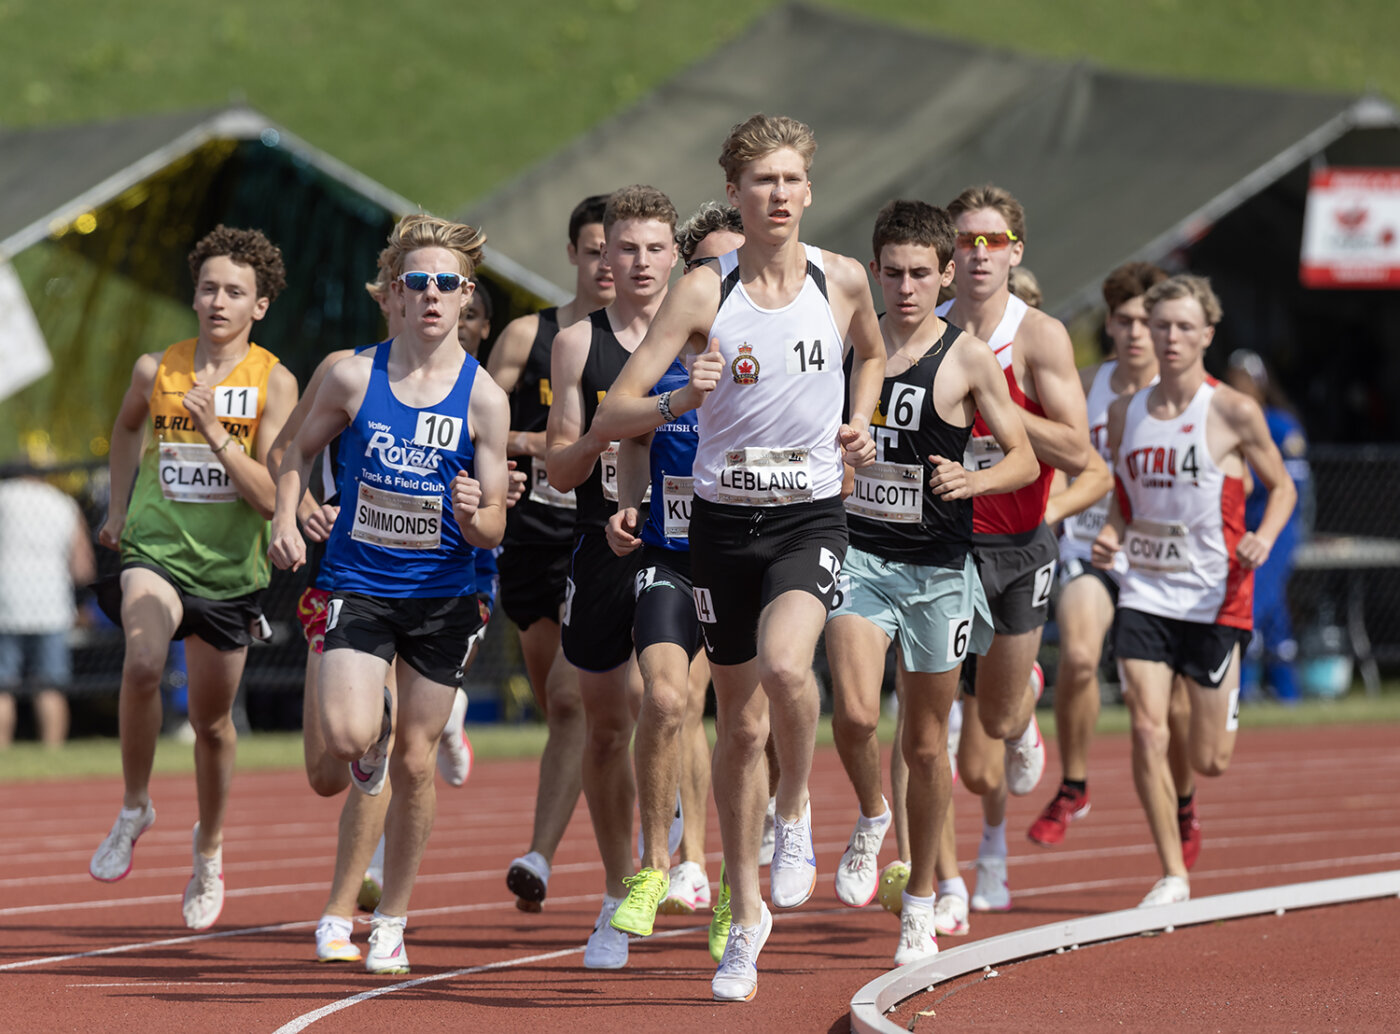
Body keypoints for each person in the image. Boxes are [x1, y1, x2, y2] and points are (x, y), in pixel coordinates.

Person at [592, 114, 886, 1002]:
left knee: (794, 670)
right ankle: (746, 917)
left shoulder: (841, 280)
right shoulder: (700, 292)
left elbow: (869, 354)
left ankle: (794, 810)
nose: (780, 195)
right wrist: (683, 394)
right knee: (740, 723)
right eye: (763, 181)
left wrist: (861, 417)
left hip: (810, 520)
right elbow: (617, 407)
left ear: (810, 189)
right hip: (723, 530)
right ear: (734, 192)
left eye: (793, 180)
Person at [269, 214, 509, 973]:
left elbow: (496, 521)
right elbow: (292, 452)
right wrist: (289, 512)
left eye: (448, 284)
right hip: (360, 581)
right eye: (418, 283)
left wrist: (479, 517)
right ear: (394, 297)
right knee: (345, 740)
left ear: (465, 297)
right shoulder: (352, 375)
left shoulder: (485, 399)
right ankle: (369, 741)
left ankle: (395, 919)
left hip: (442, 593)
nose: (433, 296)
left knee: (415, 763)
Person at [825, 199, 1037, 965]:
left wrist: (971, 483)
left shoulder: (968, 355)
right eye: (892, 273)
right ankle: (872, 818)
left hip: (939, 571)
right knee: (852, 714)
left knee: (923, 744)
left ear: (945, 274)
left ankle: (918, 907)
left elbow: (1023, 458)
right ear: (873, 272)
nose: (906, 287)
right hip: (859, 556)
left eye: (921, 273)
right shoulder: (851, 345)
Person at [88, 226, 298, 933]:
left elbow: (272, 497)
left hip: (230, 574)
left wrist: (214, 433)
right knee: (144, 661)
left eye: (234, 291)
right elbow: (124, 431)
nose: (217, 301)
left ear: (258, 306)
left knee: (212, 724)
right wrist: (118, 508)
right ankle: (134, 804)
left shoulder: (275, 380)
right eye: (208, 287)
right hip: (154, 551)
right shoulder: (158, 370)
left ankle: (207, 849)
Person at [930, 186, 1109, 921]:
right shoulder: (922, 328)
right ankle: (938, 888)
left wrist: (997, 410)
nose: (978, 255)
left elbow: (1077, 448)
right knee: (930, 735)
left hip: (1016, 545)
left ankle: (1023, 699)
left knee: (993, 738)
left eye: (992, 241)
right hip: (938, 545)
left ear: (1015, 252)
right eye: (965, 241)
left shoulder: (1037, 335)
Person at [1095, 274, 1295, 906]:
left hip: (1214, 596)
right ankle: (1172, 873)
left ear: (1207, 334)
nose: (1171, 337)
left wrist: (1263, 535)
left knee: (1210, 758)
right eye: (1162, 326)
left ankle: (1190, 793)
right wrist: (1112, 531)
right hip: (1147, 591)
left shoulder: (1233, 410)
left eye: (1184, 327)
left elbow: (1283, 485)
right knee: (1148, 729)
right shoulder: (1127, 411)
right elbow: (1126, 494)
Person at [603, 201, 747, 943]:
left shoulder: (783, 341)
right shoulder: (671, 346)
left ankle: (734, 886)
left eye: (737, 265)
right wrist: (628, 505)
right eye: (713, 267)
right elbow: (626, 427)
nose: (725, 281)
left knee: (748, 729)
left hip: (754, 552)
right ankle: (655, 866)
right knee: (662, 699)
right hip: (670, 553)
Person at [544, 185, 679, 969]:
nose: (635, 263)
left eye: (653, 248)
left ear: (673, 256)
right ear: (601, 256)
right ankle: (616, 884)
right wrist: (608, 425)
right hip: (601, 545)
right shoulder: (576, 346)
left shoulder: (706, 334)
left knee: (673, 697)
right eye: (620, 248)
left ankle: (689, 868)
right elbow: (561, 471)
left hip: (687, 544)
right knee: (604, 724)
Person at [1028, 261, 1200, 860]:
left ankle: (1182, 797)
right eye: (1123, 321)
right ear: (1109, 322)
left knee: (1172, 709)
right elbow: (1048, 452)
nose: (1134, 334)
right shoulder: (1082, 386)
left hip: (1159, 562)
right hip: (1088, 549)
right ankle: (1073, 785)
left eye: (1146, 322)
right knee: (1077, 655)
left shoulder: (1185, 400)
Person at [487, 195, 613, 912]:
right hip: (535, 531)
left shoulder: (646, 338)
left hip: (598, 534)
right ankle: (609, 829)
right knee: (561, 704)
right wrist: (538, 444)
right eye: (592, 250)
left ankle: (541, 853)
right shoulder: (529, 336)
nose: (604, 264)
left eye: (615, 251)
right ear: (572, 254)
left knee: (573, 697)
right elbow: (476, 417)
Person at [1225, 349, 1310, 703]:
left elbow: (1294, 487)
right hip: (1239, 528)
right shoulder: (1224, 420)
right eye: (1234, 380)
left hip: (1276, 529)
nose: (1240, 387)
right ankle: (1287, 694)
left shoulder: (1280, 425)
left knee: (1251, 606)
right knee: (1274, 615)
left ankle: (1239, 691)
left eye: (1246, 380)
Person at [0, 461, 95, 748]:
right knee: (51, 685)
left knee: (3, 686)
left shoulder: (3, 497)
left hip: (5, 601)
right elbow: (82, 568)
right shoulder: (63, 503)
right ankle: (53, 751)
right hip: (52, 603)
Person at [458, 276, 493, 359]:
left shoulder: (481, 372)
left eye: (469, 316)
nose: (459, 323)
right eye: (454, 314)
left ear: (485, 328)